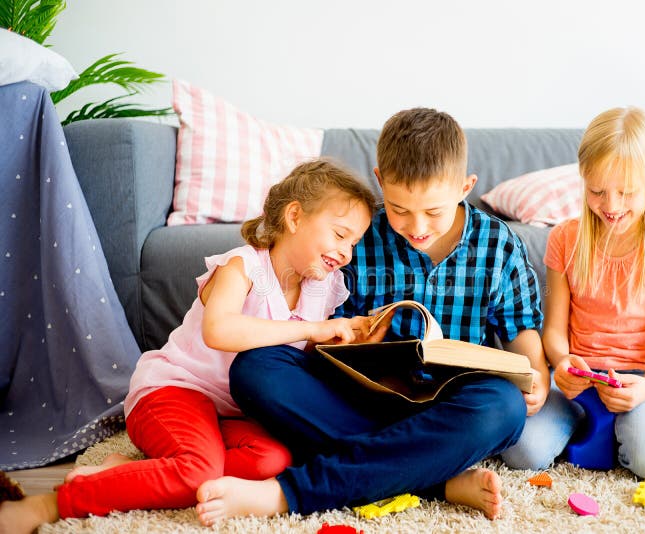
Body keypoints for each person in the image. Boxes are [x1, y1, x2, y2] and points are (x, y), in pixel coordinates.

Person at [194, 107, 570, 525]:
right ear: (379, 180)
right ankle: (436, 478)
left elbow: (520, 329)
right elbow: (323, 329)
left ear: (465, 188)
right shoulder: (360, 235)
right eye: (399, 209)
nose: (417, 226)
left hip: (449, 404)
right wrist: (351, 342)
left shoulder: (499, 244)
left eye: (433, 212)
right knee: (256, 369)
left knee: (503, 407)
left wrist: (537, 376)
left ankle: (286, 494)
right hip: (364, 397)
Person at [0, 159, 377, 533]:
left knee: (272, 461)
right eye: (339, 234)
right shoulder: (243, 266)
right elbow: (219, 330)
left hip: (233, 412)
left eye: (354, 242)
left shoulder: (324, 288)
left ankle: (133, 471)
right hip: (174, 391)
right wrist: (315, 328)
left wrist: (349, 342)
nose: (346, 252)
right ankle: (51, 505)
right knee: (198, 470)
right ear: (294, 217)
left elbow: (295, 365)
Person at [505, 106, 645, 480]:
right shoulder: (565, 239)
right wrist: (563, 362)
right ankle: (593, 425)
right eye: (597, 191)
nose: (611, 206)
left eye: (626, 193)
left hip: (639, 380)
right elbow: (554, 331)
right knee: (520, 451)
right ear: (583, 180)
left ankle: (626, 426)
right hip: (576, 377)